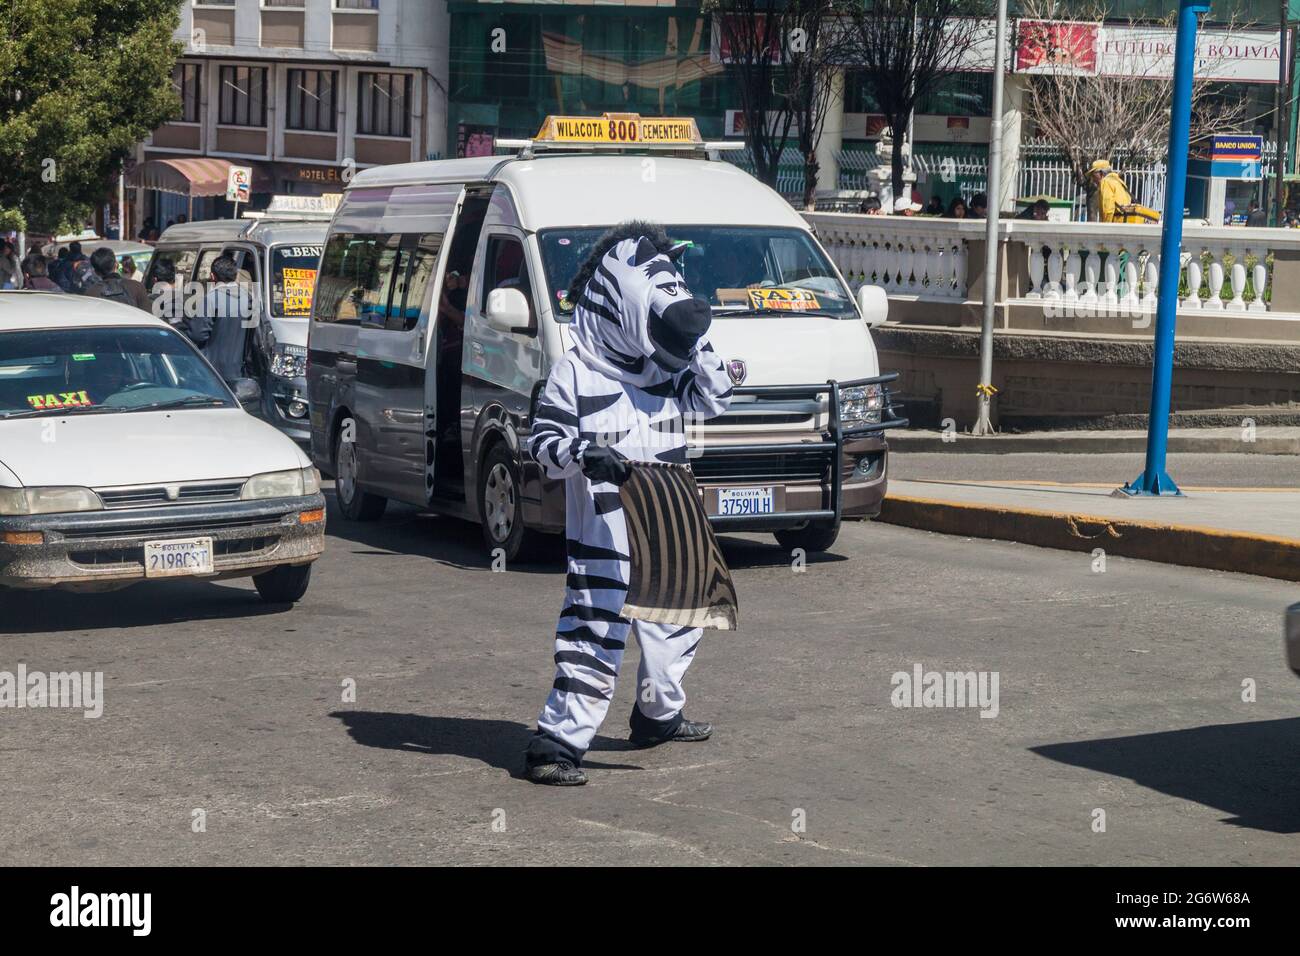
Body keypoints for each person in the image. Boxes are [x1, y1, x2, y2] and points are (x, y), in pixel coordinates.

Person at [523, 221, 733, 786]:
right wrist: (586, 455)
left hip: (668, 525)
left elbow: (716, 396)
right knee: (594, 634)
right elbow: (542, 447)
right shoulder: (573, 372)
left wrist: (696, 338)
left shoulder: (663, 374)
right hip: (605, 536)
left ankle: (657, 716)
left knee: (680, 627)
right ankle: (557, 743)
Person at [184, 255, 257, 381]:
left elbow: (197, 335)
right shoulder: (250, 299)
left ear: (212, 276)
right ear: (235, 275)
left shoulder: (211, 299)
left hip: (213, 371)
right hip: (240, 370)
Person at [81, 246, 150, 310]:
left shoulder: (91, 294)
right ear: (116, 265)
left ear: (96, 272)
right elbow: (149, 318)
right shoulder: (137, 287)